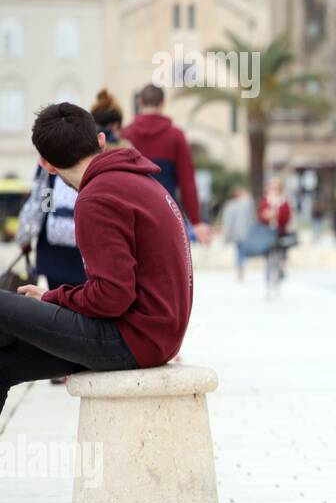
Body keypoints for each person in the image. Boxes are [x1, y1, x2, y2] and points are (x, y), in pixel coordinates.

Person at [0, 103, 193, 415]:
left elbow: (113, 296)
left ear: (47, 165)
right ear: (101, 140)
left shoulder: (97, 196)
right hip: (155, 335)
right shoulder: (137, 179)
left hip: (132, 337)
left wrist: (51, 295)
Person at [122, 84, 211, 244]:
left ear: (140, 102)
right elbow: (187, 183)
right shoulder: (175, 136)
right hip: (167, 215)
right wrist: (196, 222)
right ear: (163, 103)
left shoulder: (126, 135)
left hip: (132, 216)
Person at [219, 186, 255, 281]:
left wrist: (226, 232)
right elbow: (251, 218)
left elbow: (227, 221)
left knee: (239, 250)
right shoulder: (246, 204)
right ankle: (241, 268)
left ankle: (240, 269)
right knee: (241, 250)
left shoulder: (230, 205)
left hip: (235, 232)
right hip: (244, 231)